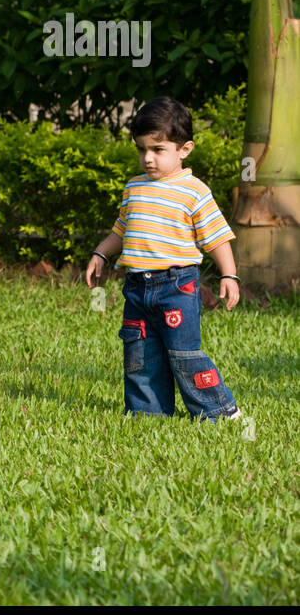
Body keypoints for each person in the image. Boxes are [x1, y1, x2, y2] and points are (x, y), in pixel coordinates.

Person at [84, 96, 243, 421]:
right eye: (142, 149)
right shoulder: (134, 188)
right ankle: (147, 413)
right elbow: (121, 231)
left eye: (158, 150)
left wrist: (229, 275)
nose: (148, 158)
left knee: (184, 354)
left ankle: (218, 410)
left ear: (184, 149)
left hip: (177, 287)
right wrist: (101, 252)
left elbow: (217, 238)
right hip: (136, 289)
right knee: (139, 352)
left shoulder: (194, 191)